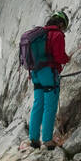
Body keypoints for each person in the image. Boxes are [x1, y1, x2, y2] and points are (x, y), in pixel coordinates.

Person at [28, 12, 71, 149]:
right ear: (60, 24)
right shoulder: (57, 35)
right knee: (50, 106)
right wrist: (67, 59)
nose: (63, 30)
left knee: (38, 104)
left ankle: (34, 139)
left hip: (35, 73)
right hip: (48, 73)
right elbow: (59, 57)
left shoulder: (40, 35)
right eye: (63, 27)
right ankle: (47, 139)